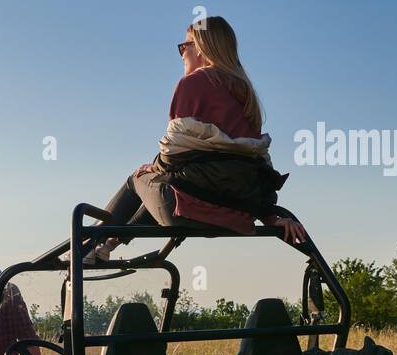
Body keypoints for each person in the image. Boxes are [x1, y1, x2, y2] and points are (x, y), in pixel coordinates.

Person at [92, 16, 306, 261]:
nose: (182, 53)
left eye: (185, 45)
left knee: (138, 179)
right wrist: (270, 214)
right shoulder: (247, 95)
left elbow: (173, 155)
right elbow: (255, 165)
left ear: (203, 47)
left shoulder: (191, 85)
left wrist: (152, 167)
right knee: (165, 183)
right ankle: (107, 245)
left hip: (187, 209)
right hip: (235, 214)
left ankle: (88, 245)